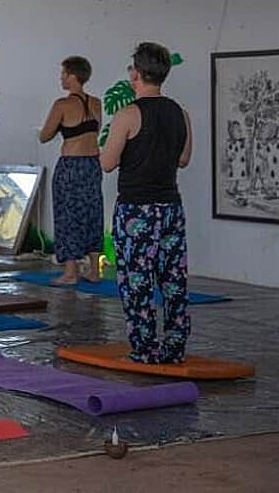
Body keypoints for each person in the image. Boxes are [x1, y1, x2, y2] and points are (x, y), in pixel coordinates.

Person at [100, 42, 192, 364]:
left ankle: (145, 348)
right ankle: (175, 347)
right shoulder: (180, 113)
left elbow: (108, 163)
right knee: (173, 280)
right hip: (170, 208)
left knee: (136, 281)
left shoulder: (128, 114)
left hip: (136, 210)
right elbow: (183, 159)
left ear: (135, 74)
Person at [39, 56, 104, 284]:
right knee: (92, 212)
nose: (61, 78)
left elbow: (44, 136)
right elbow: (95, 130)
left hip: (71, 165)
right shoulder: (96, 103)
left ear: (73, 76)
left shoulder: (62, 104)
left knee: (67, 214)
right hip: (93, 164)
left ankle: (70, 272)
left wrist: (59, 127)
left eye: (63, 74)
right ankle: (95, 269)